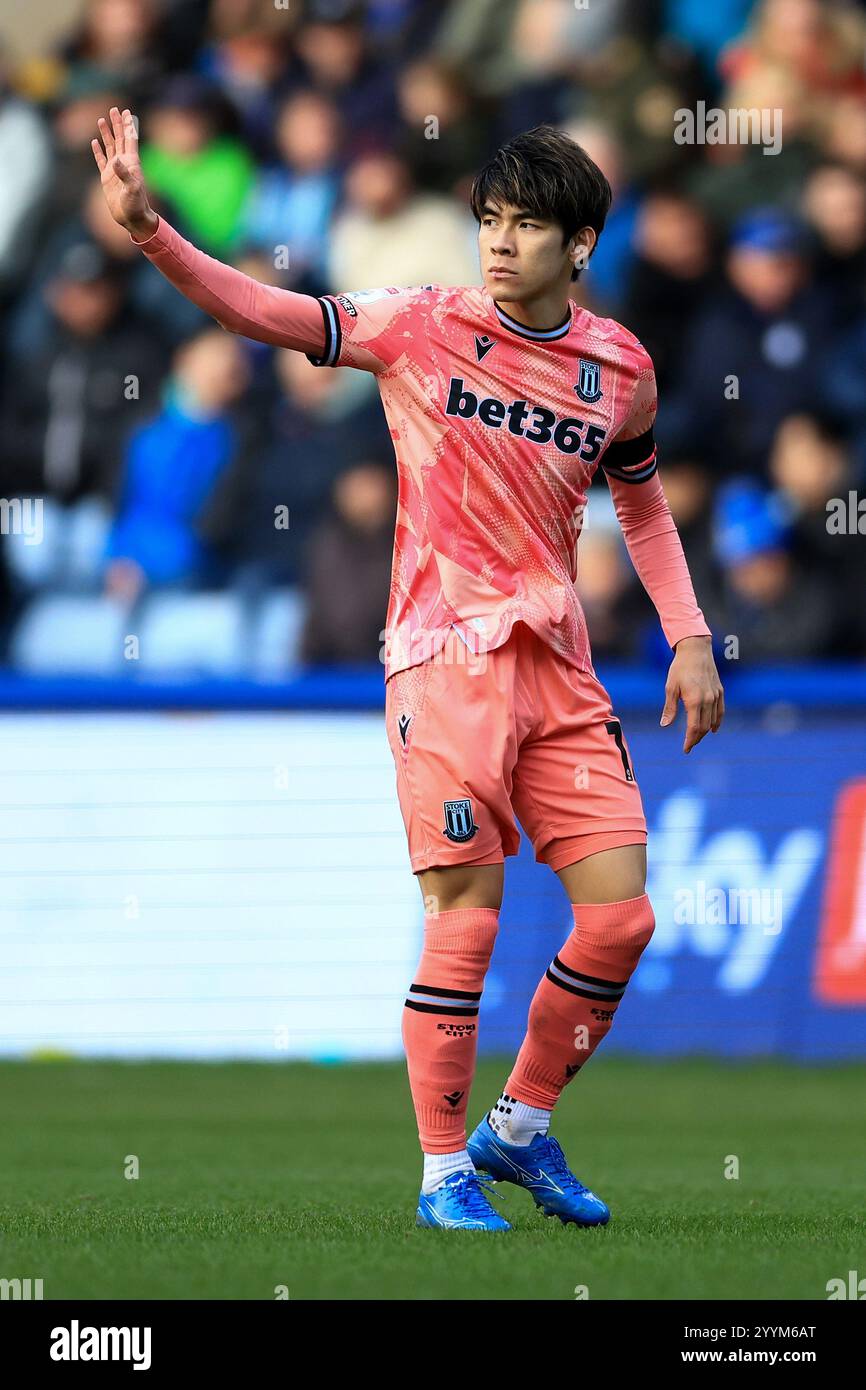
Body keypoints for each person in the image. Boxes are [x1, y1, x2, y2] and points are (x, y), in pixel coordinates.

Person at [92, 108, 724, 1232]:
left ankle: (516, 1131)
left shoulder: (618, 366)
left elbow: (637, 497)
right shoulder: (420, 327)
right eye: (489, 219)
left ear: (579, 246)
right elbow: (270, 313)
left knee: (619, 920)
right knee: (466, 920)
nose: (497, 242)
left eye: (526, 225)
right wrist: (153, 233)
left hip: (558, 667)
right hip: (440, 661)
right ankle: (442, 1172)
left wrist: (684, 634)